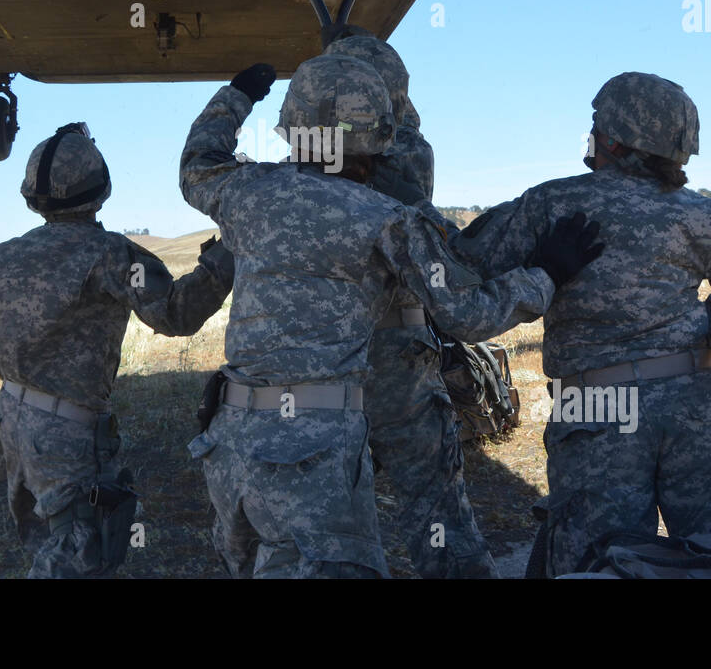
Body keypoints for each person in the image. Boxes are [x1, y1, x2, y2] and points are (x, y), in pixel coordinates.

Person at [180, 57, 601, 578]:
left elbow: (198, 162)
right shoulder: (387, 221)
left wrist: (236, 95)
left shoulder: (245, 193)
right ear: (381, 135)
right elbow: (467, 315)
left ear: (292, 125)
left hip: (230, 440)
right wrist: (546, 276)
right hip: (314, 448)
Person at [452, 72, 711, 577]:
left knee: (597, 562)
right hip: (700, 405)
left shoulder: (551, 203)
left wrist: (541, 273)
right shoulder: (705, 216)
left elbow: (464, 269)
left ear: (608, 137)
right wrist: (702, 321)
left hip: (595, 408)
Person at [0, 122, 235, 578]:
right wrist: (227, 255)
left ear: (32, 195)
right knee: (82, 552)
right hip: (67, 433)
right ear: (101, 187)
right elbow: (176, 314)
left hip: (13, 419)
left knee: (45, 542)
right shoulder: (110, 254)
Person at [324, 32, 494, 578]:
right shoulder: (406, 150)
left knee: (331, 511)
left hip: (328, 355)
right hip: (397, 353)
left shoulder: (310, 159)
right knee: (433, 501)